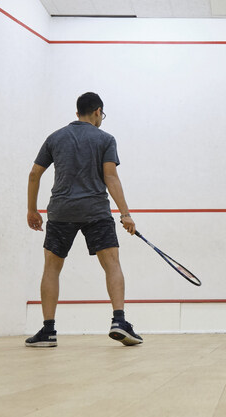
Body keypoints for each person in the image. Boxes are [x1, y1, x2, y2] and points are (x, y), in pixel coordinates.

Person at [25, 92, 142, 347]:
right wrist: (125, 214)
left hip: (61, 211)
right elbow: (111, 177)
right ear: (98, 111)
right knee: (112, 264)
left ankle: (48, 331)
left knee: (52, 268)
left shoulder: (55, 138)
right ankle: (119, 321)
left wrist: (32, 210)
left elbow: (34, 174)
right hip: (95, 211)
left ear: (78, 112)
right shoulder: (106, 139)